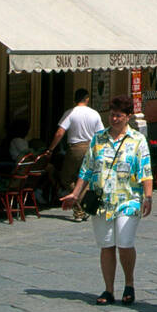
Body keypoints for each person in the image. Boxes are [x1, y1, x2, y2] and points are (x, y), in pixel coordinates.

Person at [59, 97, 153, 305]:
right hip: (101, 201)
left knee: (125, 242)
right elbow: (86, 169)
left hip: (128, 199)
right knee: (107, 245)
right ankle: (109, 290)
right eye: (112, 114)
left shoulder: (137, 140)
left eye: (119, 115)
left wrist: (148, 197)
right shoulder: (98, 139)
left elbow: (145, 170)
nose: (114, 118)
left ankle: (129, 284)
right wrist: (75, 193)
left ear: (128, 116)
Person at [47, 89, 103, 221]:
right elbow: (100, 134)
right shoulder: (94, 114)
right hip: (91, 147)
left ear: (75, 99)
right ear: (87, 99)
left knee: (66, 177)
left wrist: (50, 149)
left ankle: (79, 208)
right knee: (85, 178)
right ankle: (83, 207)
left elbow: (60, 133)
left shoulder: (70, 113)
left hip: (75, 148)